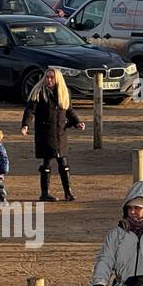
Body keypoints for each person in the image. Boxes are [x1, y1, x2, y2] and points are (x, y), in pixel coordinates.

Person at [20, 67, 83, 202]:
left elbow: (68, 110)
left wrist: (77, 122)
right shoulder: (38, 93)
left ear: (57, 79)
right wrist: (26, 125)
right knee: (46, 162)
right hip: (45, 133)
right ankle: (44, 193)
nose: (49, 80)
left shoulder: (63, 93)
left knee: (63, 162)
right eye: (47, 77)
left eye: (51, 77)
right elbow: (30, 111)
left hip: (60, 132)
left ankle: (68, 192)